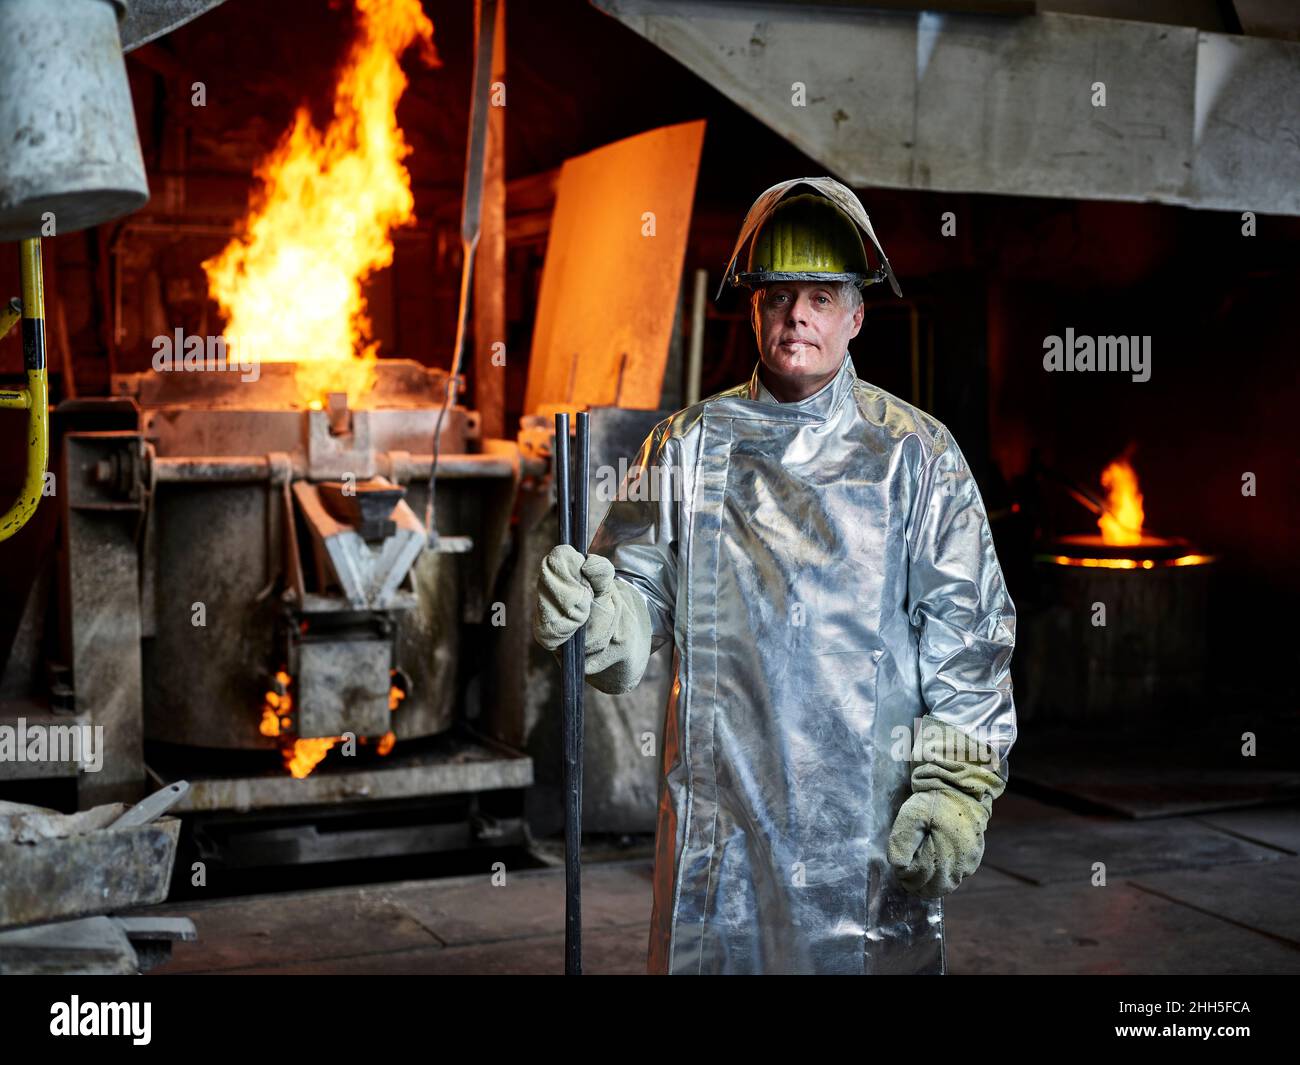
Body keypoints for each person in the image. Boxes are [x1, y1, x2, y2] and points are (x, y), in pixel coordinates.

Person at [533, 177, 1017, 975]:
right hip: (718, 833)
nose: (798, 314)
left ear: (856, 315)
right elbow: (638, 593)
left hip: (868, 830)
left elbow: (969, 640)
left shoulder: (917, 455)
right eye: (779, 294)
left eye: (822, 297)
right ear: (753, 309)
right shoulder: (684, 446)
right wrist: (604, 616)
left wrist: (955, 789)